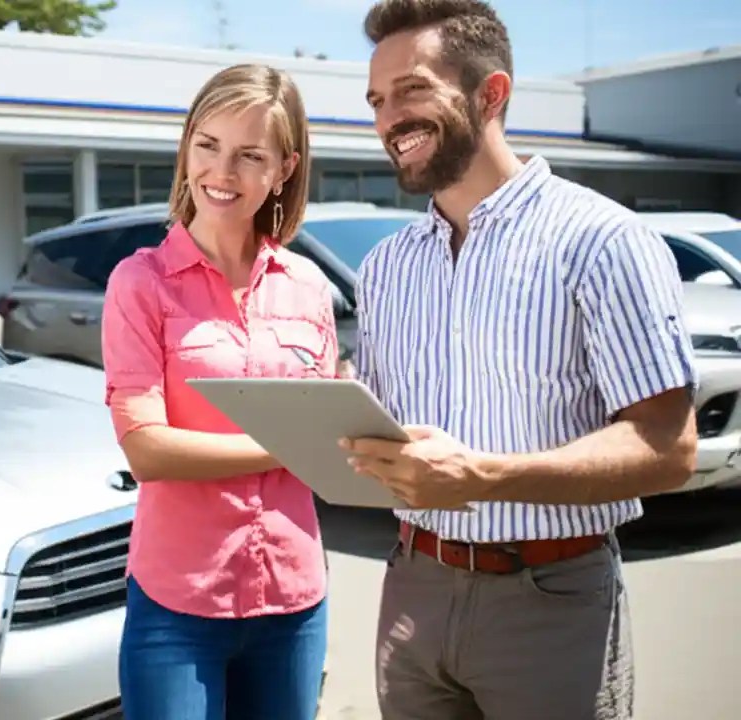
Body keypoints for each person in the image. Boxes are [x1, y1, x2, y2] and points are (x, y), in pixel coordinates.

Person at [340, 1, 698, 719]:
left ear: (490, 93)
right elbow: (385, 433)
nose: (389, 120)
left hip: (552, 597)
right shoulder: (384, 267)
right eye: (378, 101)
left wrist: (483, 477)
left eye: (412, 90)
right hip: (414, 584)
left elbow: (669, 448)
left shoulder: (603, 241)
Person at [101, 63, 335, 719]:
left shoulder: (309, 288)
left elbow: (327, 434)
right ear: (186, 147)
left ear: (283, 167)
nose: (221, 172)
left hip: (293, 599)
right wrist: (287, 447)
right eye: (207, 145)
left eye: (249, 155)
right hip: (179, 604)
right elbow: (146, 449)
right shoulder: (140, 283)